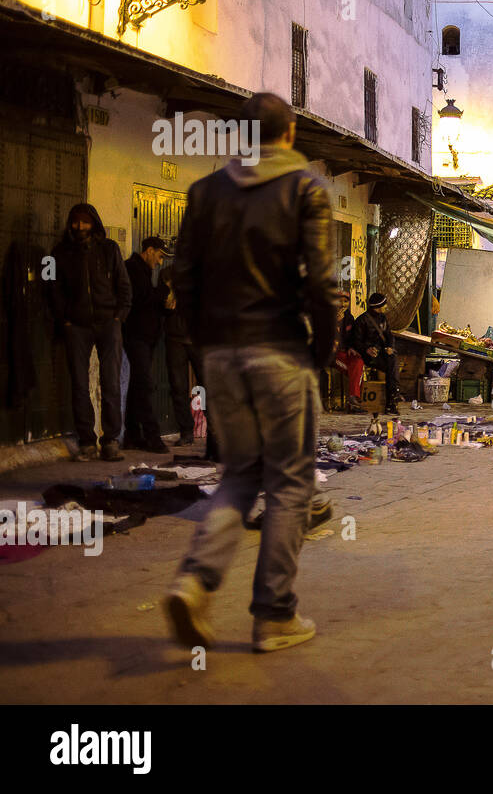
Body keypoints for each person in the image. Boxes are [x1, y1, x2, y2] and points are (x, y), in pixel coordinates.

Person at [166, 91, 336, 654]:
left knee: (240, 475)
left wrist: (203, 344)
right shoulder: (307, 187)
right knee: (289, 484)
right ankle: (273, 615)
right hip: (280, 351)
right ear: (289, 133)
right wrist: (323, 351)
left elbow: (182, 277)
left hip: (221, 356)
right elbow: (320, 284)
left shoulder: (205, 191)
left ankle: (194, 583)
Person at [49, 203, 131, 462]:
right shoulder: (58, 253)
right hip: (77, 326)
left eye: (85, 222)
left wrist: (119, 318)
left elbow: (124, 285)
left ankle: (111, 442)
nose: (80, 226)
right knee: (79, 385)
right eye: (76, 221)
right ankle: (86, 442)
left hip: (109, 323)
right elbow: (51, 288)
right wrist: (65, 320)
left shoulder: (110, 249)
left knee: (110, 383)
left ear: (94, 223)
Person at [160, 263, 218, 458]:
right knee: (178, 385)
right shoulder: (167, 274)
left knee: (207, 385)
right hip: (175, 338)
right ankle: (186, 431)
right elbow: (163, 304)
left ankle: (215, 433)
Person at [122, 236, 172, 453]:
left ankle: (133, 436)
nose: (160, 262)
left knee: (137, 386)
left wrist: (163, 306)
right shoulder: (132, 268)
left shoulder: (143, 270)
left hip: (146, 337)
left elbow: (147, 303)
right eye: (160, 256)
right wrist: (164, 291)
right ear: (149, 251)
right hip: (136, 337)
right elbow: (141, 298)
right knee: (144, 386)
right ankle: (153, 437)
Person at [353, 292, 402, 414]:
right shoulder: (361, 321)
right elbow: (355, 342)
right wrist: (367, 349)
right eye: (384, 304)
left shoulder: (383, 318)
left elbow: (389, 336)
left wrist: (390, 346)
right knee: (392, 367)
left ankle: (392, 400)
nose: (386, 306)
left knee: (392, 359)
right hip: (367, 356)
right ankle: (392, 401)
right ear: (379, 306)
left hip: (381, 352)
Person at [333, 293, 365, 413]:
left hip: (346, 353)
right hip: (333, 355)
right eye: (339, 301)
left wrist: (352, 347)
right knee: (356, 372)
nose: (342, 304)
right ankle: (354, 402)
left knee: (359, 362)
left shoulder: (349, 318)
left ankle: (353, 400)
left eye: (345, 302)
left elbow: (352, 338)